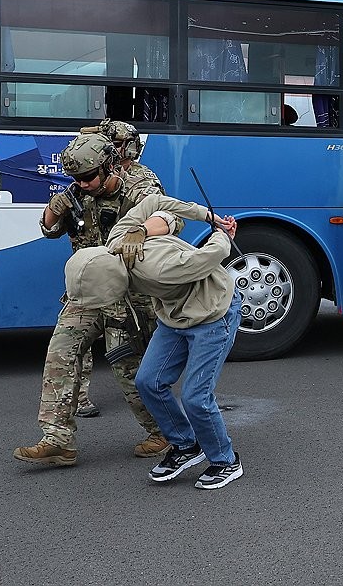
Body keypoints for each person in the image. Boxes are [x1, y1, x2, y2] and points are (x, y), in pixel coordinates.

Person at [13, 133, 171, 466]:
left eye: (87, 177)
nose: (82, 184)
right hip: (88, 291)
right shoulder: (76, 193)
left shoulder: (138, 190)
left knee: (128, 367)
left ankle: (165, 432)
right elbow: (50, 229)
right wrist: (52, 210)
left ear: (109, 165)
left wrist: (141, 230)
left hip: (127, 294)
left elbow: (169, 217)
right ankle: (57, 440)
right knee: (61, 351)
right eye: (76, 178)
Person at [71, 193, 242, 490]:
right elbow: (154, 202)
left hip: (213, 313)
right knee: (148, 381)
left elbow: (208, 257)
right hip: (174, 317)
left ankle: (225, 460)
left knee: (195, 397)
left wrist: (221, 233)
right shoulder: (117, 241)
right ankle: (186, 446)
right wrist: (203, 214)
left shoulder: (158, 268)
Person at [72, 120, 165, 418]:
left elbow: (162, 216)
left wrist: (138, 233)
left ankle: (156, 405)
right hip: (92, 268)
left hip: (125, 274)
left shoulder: (141, 180)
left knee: (135, 341)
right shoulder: (93, 174)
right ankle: (78, 397)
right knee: (77, 339)